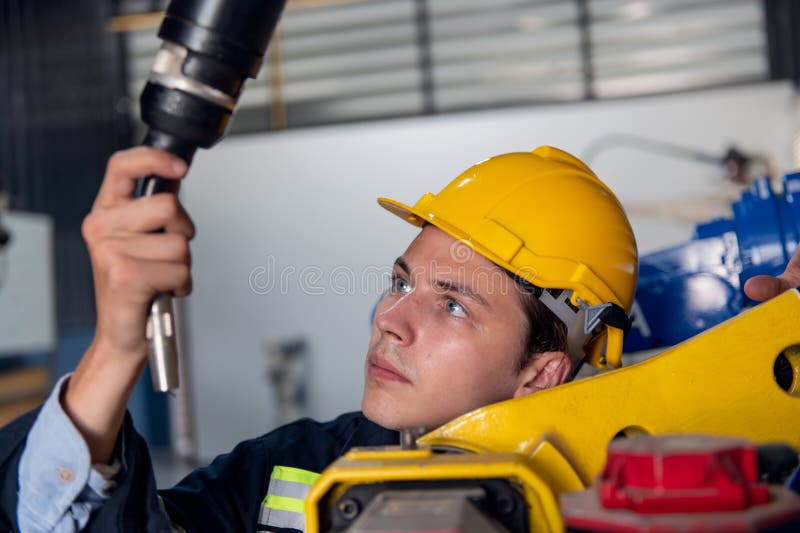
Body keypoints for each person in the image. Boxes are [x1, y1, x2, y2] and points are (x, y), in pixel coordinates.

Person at [0, 145, 796, 533]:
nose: (390, 316)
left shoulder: (626, 502)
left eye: (453, 305)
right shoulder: (290, 468)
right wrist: (113, 351)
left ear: (542, 370)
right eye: (401, 280)